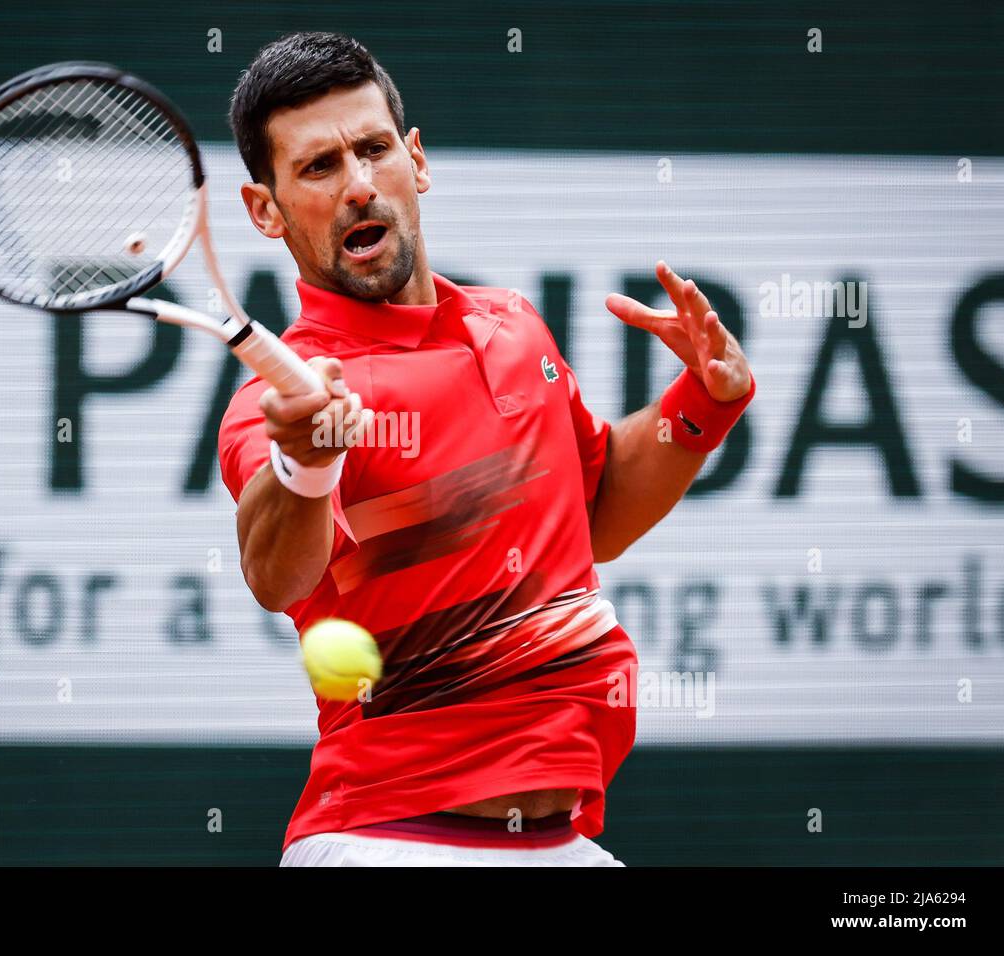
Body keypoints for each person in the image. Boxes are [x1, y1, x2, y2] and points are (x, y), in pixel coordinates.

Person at [218, 31, 756, 866]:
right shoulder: (278, 403)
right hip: (384, 843)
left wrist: (703, 403)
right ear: (267, 209)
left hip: (561, 843)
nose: (359, 185)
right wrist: (306, 460)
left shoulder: (514, 327)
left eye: (373, 149)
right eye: (320, 168)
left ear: (416, 159)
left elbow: (595, 513)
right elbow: (274, 573)